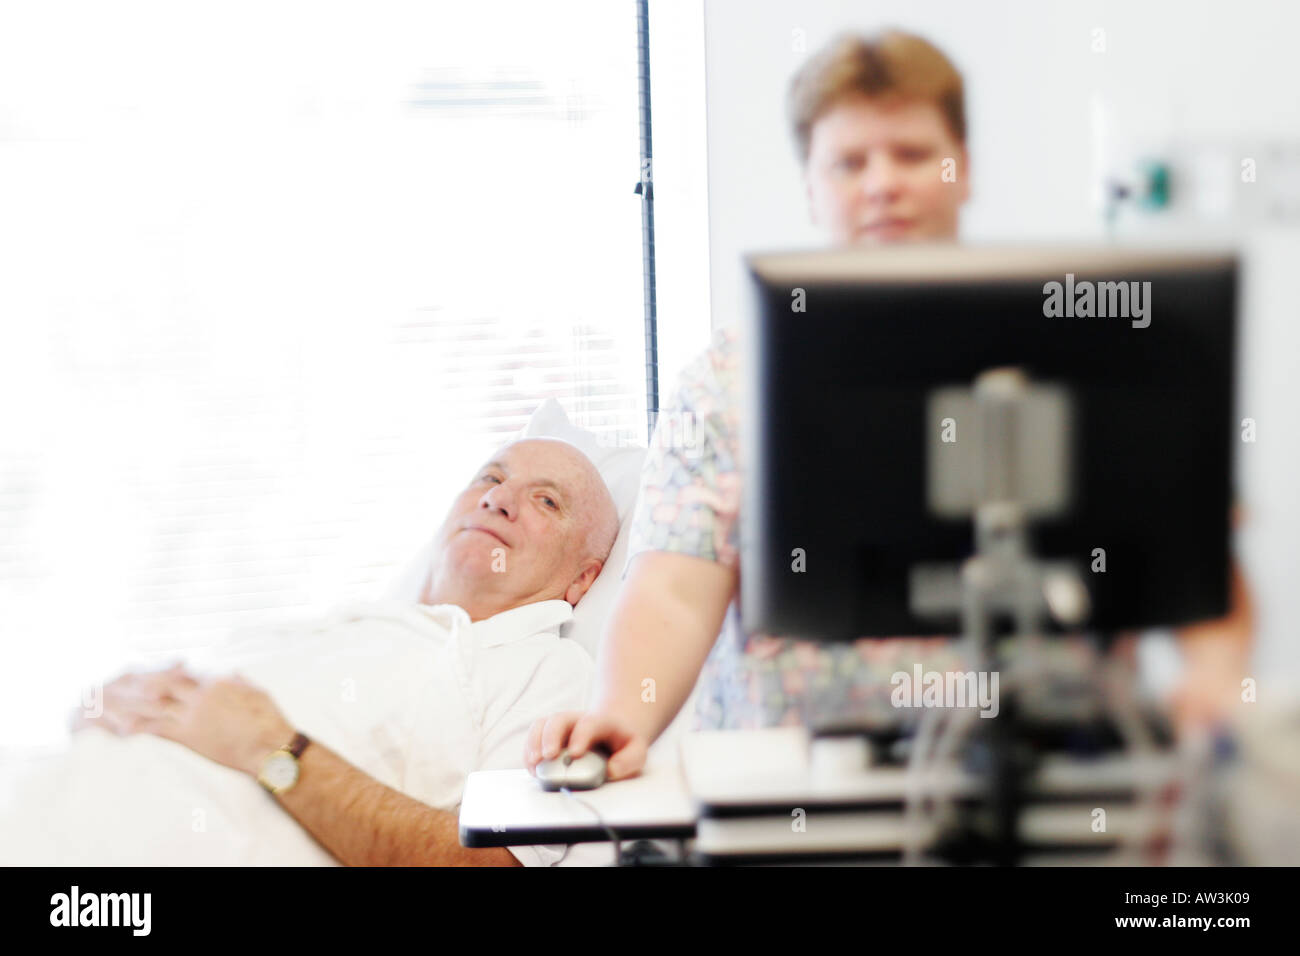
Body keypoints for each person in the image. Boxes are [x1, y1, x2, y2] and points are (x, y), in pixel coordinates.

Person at [525, 30, 1253, 783]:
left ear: (961, 168)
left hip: (1052, 776)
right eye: (848, 162)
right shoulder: (722, 385)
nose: (881, 184)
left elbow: (1195, 563)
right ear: (811, 185)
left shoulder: (1091, 353)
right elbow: (674, 589)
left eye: (910, 154)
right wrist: (624, 711)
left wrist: (1217, 687)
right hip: (794, 788)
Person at [6, 437, 618, 866]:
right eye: (491, 477)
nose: (498, 498)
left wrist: (275, 752)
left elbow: (488, 864)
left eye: (546, 501)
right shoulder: (346, 626)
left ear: (584, 580)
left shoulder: (546, 670)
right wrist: (107, 710)